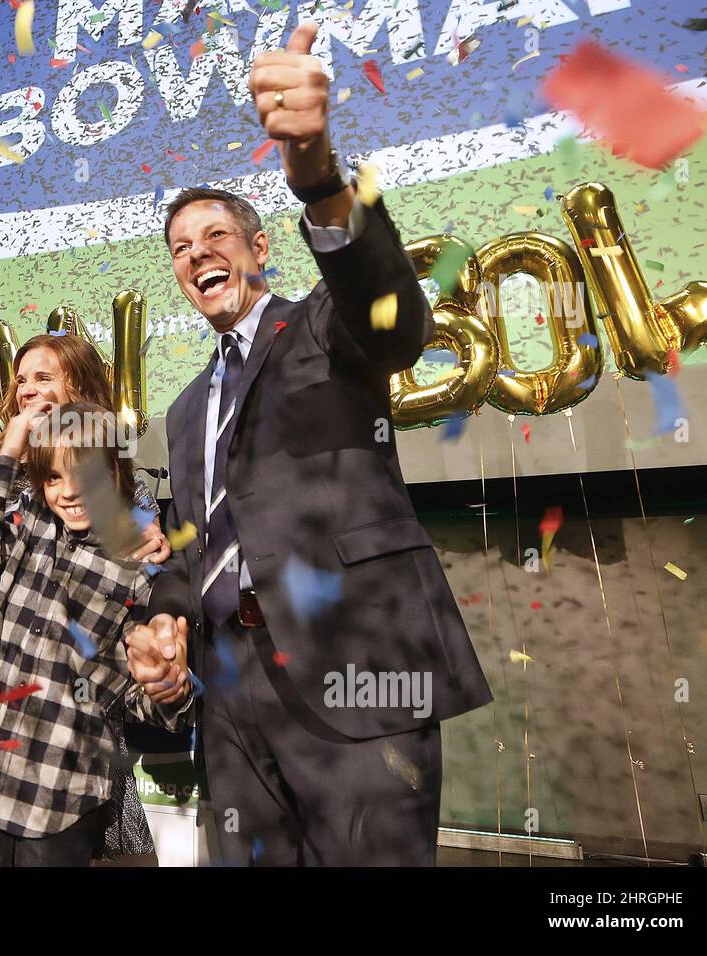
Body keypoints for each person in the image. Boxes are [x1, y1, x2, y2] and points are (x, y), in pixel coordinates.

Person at [126, 22, 492, 866]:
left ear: (260, 249)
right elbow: (191, 549)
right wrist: (162, 618)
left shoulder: (323, 325)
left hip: (356, 673)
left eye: (215, 238)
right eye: (182, 251)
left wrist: (319, 177)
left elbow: (391, 314)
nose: (198, 257)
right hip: (232, 701)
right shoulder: (184, 412)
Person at [0, 333, 171, 864]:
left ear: (81, 386)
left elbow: (136, 589)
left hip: (68, 718)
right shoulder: (1, 462)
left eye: (44, 378)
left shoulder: (120, 487)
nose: (26, 390)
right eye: (20, 380)